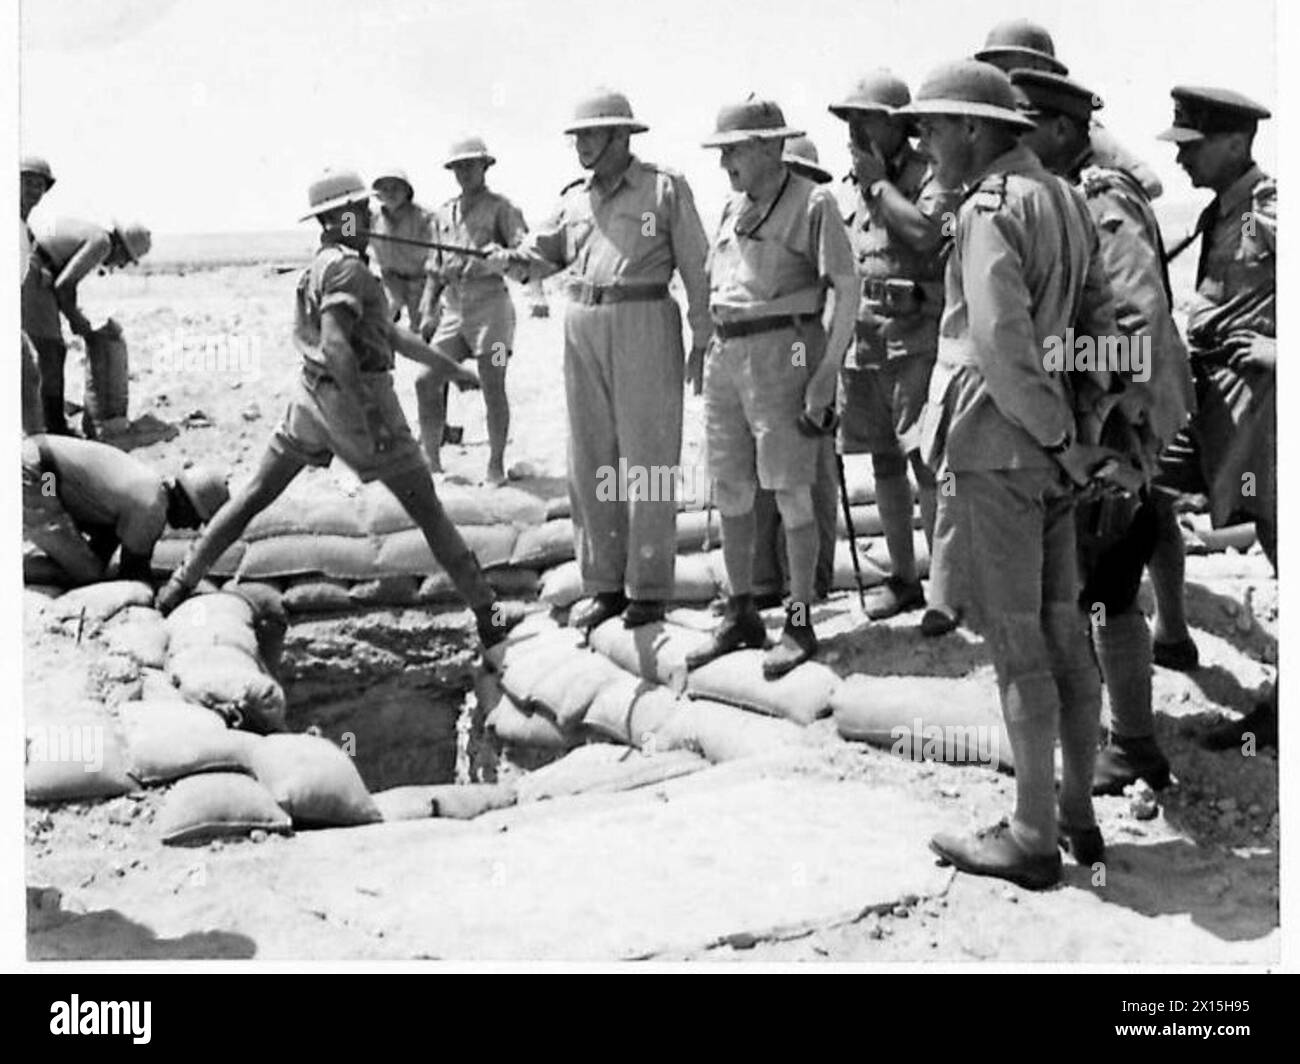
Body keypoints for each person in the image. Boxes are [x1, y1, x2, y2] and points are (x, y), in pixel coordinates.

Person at [904, 61, 1121, 888]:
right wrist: (1087, 425)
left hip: (1002, 447)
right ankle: (1077, 812)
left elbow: (999, 346)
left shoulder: (991, 209)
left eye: (932, 128)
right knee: (1065, 631)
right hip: (1054, 448)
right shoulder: (1064, 198)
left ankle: (1031, 836)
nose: (923, 144)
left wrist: (1060, 434)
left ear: (973, 128)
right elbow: (1101, 325)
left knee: (1018, 640)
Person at [154, 169, 522, 649]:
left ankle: (179, 583)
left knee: (255, 495)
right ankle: (489, 614)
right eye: (360, 209)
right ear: (339, 216)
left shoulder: (323, 263)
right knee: (430, 515)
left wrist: (453, 371)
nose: (370, 214)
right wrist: (370, 417)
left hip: (309, 400)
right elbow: (336, 344)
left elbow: (391, 336)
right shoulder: (347, 268)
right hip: (358, 401)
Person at [1013, 69, 1196, 795]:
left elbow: (1134, 329)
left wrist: (1059, 370)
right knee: (1103, 576)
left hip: (1118, 419)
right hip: (1104, 415)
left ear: (1059, 129)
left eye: (1024, 127)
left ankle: (1135, 744)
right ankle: (1124, 731)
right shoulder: (1063, 196)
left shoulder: (1098, 197)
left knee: (1107, 581)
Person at [490, 90, 711, 631]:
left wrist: (703, 340)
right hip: (582, 321)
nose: (580, 146)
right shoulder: (574, 200)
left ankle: (649, 587)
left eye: (589, 135)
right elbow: (543, 255)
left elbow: (698, 268)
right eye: (577, 137)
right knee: (592, 458)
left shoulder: (664, 188)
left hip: (644, 318)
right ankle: (604, 584)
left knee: (648, 461)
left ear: (621, 137)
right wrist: (508, 263)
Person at [685, 96, 857, 679]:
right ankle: (741, 612)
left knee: (790, 491)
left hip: (785, 352)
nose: (724, 162)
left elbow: (845, 288)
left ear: (768, 147)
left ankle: (800, 619)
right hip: (727, 356)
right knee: (731, 487)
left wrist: (825, 373)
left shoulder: (813, 204)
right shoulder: (732, 208)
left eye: (732, 150)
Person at [1151, 87, 1276, 749]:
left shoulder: (1274, 209)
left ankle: (1281, 713)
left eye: (1193, 147)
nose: (1182, 161)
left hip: (1261, 411)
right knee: (1140, 486)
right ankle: (1168, 635)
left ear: (1234, 142)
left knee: (1283, 541)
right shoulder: (1215, 212)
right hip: (1207, 399)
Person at [828, 70, 962, 633]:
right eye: (850, 120)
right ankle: (903, 579)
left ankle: (943, 590)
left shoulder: (928, 176)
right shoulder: (853, 186)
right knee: (881, 457)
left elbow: (930, 236)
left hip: (915, 341)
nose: (855, 129)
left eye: (865, 119)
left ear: (896, 125)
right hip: (866, 342)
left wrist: (881, 186)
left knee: (925, 463)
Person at [752, 134, 838, 608]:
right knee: (764, 471)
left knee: (813, 471)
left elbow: (834, 290)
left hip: (807, 346)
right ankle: (765, 579)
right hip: (764, 354)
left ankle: (812, 581)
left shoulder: (818, 215)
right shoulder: (754, 215)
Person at [417, 137, 530, 484]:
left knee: (493, 384)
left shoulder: (502, 208)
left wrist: (497, 259)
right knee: (425, 381)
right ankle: (432, 462)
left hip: (492, 313)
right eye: (458, 167)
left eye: (471, 165)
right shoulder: (442, 214)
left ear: (485, 166)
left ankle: (495, 465)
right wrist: (427, 309)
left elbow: (526, 253)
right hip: (454, 311)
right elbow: (433, 267)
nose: (464, 172)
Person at [973, 18, 1165, 201]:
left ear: (1041, 68)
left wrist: (1078, 202)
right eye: (995, 68)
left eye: (1007, 68)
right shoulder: (989, 125)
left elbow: (1150, 183)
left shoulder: (1080, 127)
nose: (1001, 78)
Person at [23, 433, 227, 585]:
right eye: (195, 520)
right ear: (187, 505)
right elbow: (133, 571)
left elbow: (106, 534)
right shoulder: (152, 508)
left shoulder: (148, 486)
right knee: (87, 574)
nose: (191, 527)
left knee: (86, 561)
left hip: (40, 461)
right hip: (42, 478)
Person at [22, 216, 151, 435]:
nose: (120, 265)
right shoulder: (102, 244)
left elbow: (63, 285)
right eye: (125, 259)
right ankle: (53, 427)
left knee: (47, 351)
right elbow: (63, 286)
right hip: (33, 272)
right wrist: (78, 321)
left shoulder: (94, 235)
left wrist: (76, 318)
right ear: (120, 246)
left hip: (36, 271)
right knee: (51, 352)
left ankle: (46, 421)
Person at [370, 167, 432, 327]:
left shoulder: (425, 217)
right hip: (389, 280)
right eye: (385, 189)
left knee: (422, 330)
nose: (391, 193)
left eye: (396, 188)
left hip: (419, 281)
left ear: (407, 191)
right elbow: (347, 230)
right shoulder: (371, 218)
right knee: (381, 324)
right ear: (378, 194)